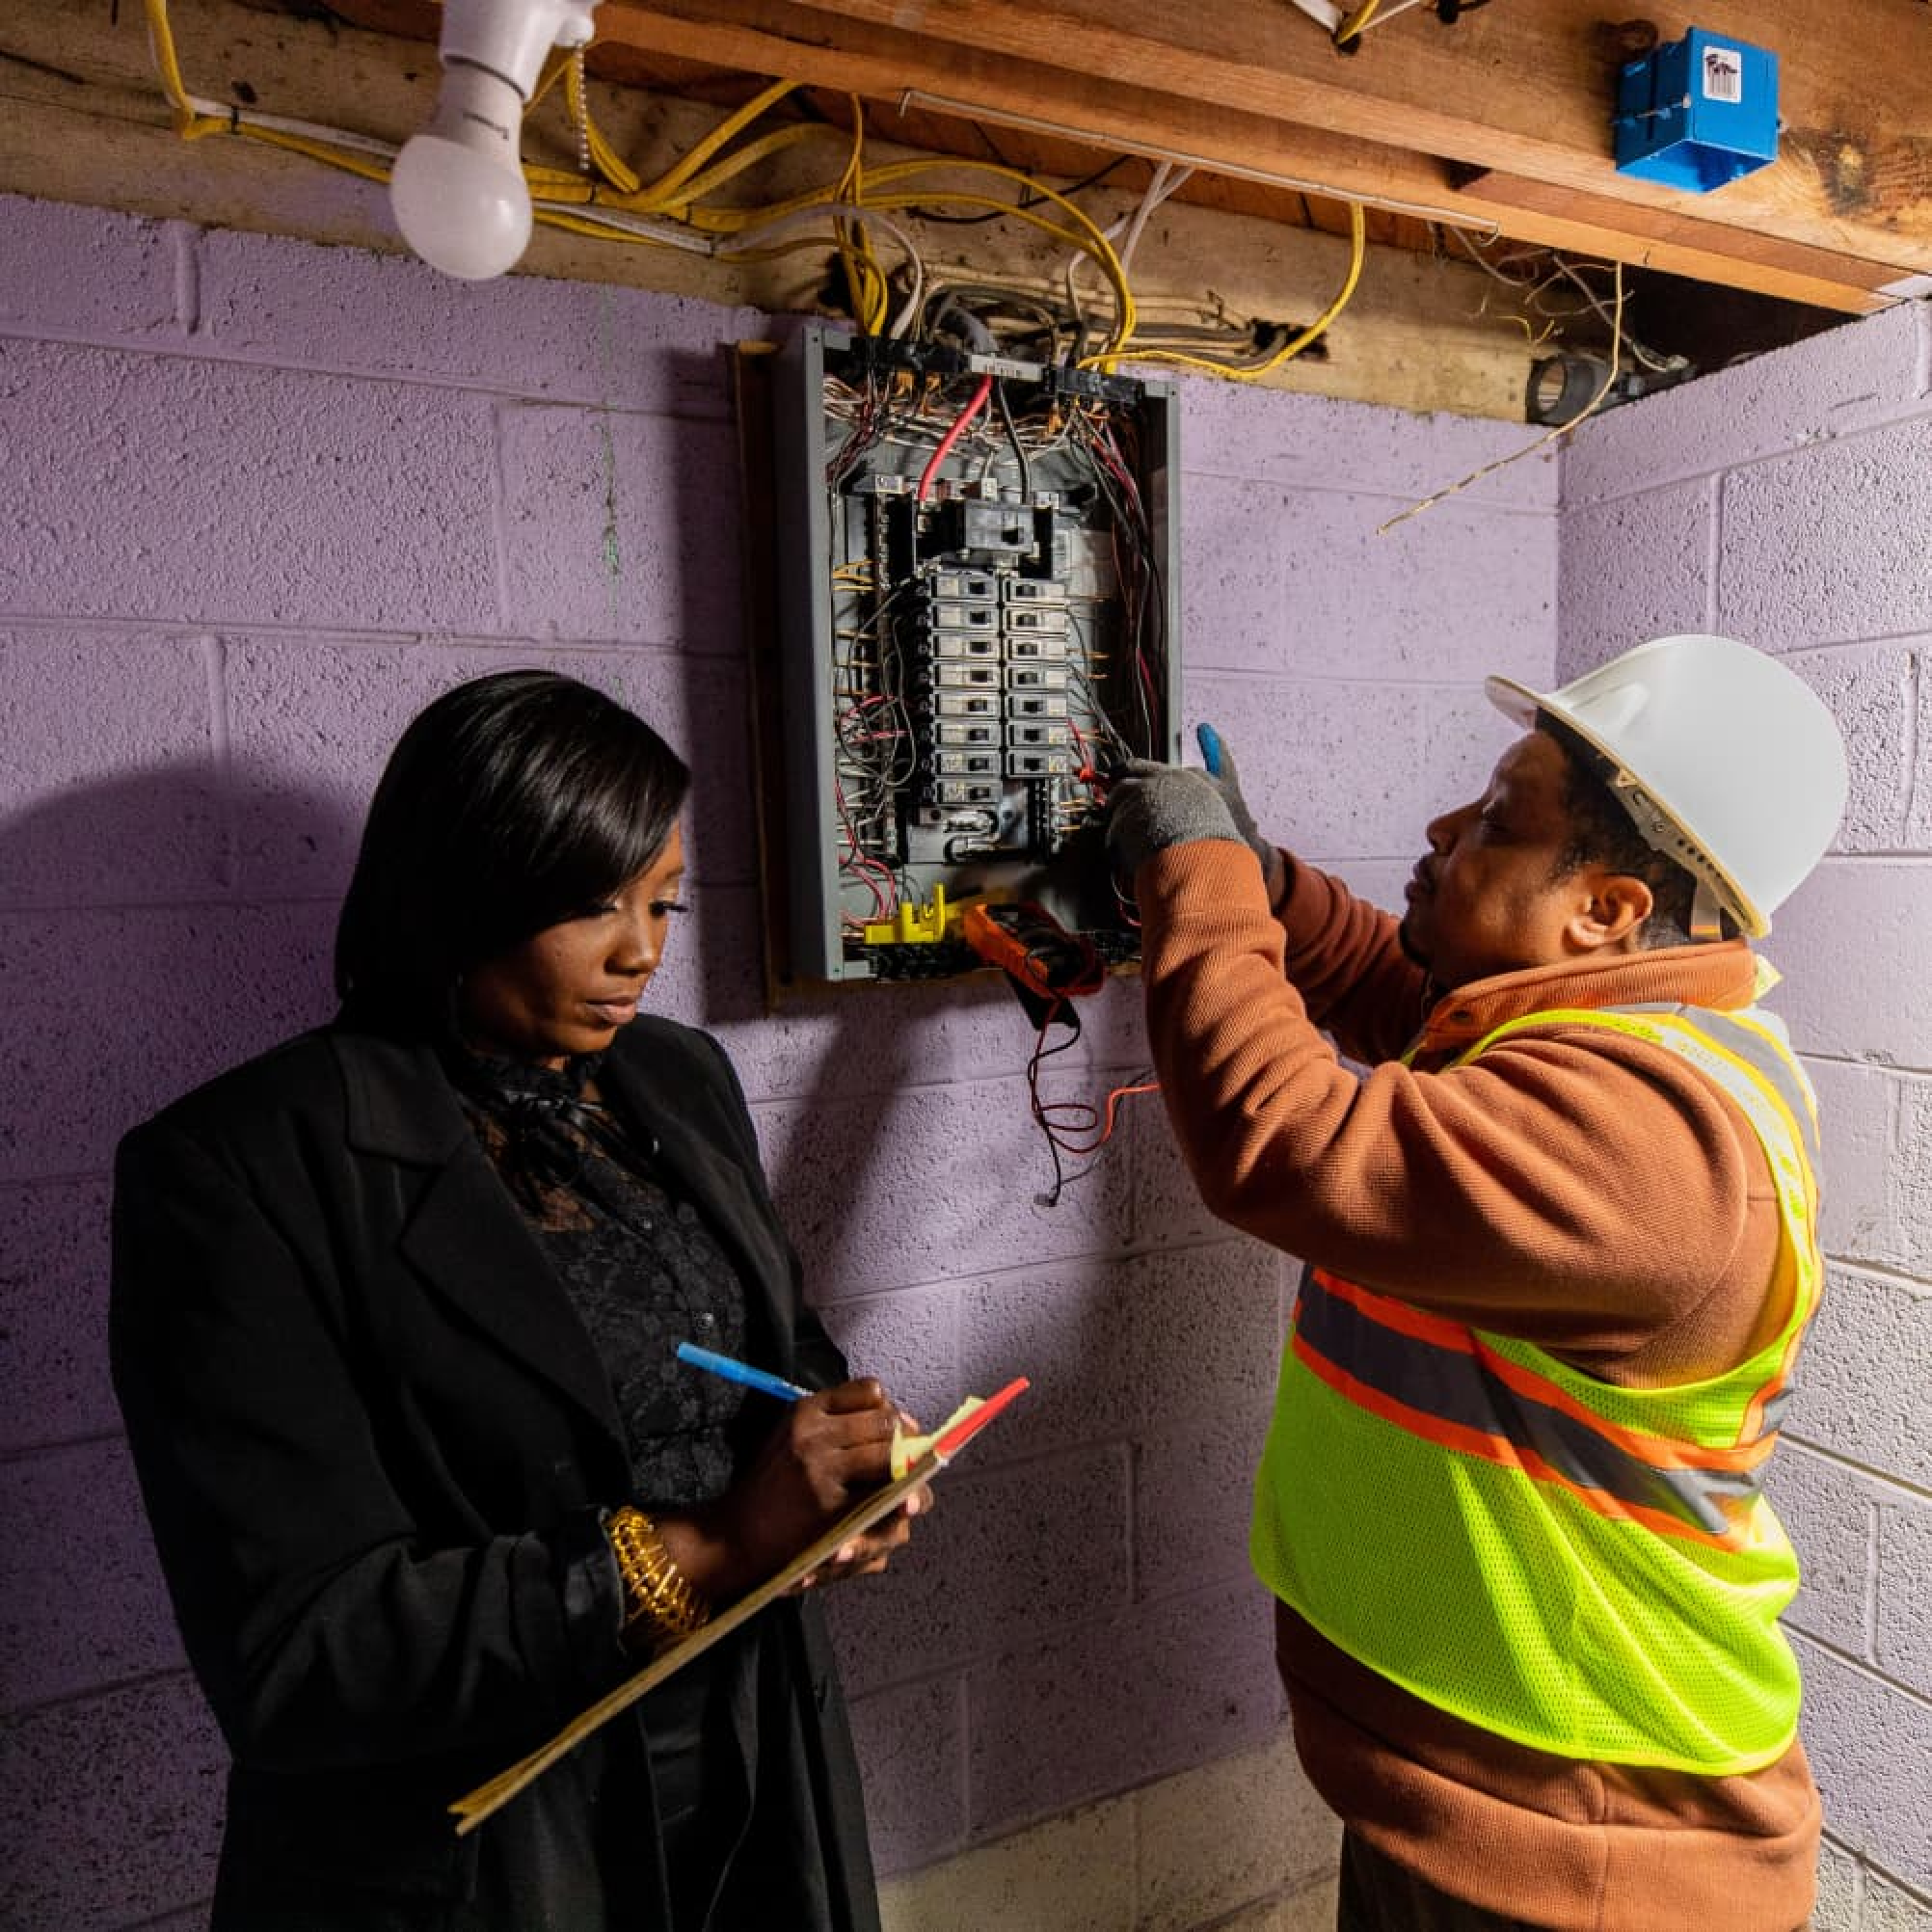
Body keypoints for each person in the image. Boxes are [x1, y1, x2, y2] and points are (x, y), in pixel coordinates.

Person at [111, 669, 927, 1932]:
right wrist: (712, 1546)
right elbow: (300, 1654)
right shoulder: (243, 1169)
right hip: (484, 1852)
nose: (642, 953)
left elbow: (768, 1338)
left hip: (756, 1771)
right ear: (461, 897)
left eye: (663, 902)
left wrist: (845, 1462)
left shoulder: (675, 1078)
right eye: (592, 904)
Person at [1104, 634, 1848, 1932]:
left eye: (1500, 820)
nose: (1447, 826)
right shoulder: (1623, 1039)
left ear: (1605, 910)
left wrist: (1202, 879)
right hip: (1472, 1793)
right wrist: (1272, 886)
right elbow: (1415, 1014)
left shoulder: (1650, 1146)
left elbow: (1286, 1148)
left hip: (1591, 1851)